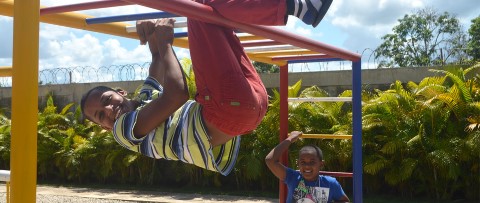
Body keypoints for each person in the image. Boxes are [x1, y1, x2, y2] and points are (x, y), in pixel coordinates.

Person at [81, 0, 334, 176]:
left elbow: (157, 60)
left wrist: (149, 30)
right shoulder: (125, 130)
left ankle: (301, 7)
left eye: (106, 99)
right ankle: (296, 6)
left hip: (250, 102)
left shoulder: (144, 100)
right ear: (104, 127)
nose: (109, 110)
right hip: (228, 109)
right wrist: (167, 42)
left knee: (213, 11)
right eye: (101, 116)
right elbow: (178, 93)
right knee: (197, 8)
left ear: (120, 92)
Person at [265, 131, 350, 202]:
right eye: (303, 162)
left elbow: (345, 201)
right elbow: (270, 160)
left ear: (321, 164)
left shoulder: (330, 183)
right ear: (298, 163)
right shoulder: (293, 178)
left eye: (312, 162)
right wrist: (290, 139)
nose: (307, 166)